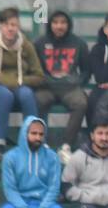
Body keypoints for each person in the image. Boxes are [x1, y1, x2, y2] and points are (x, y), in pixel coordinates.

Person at [33, 9, 91, 151]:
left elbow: (86, 71)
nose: (59, 26)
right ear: (50, 24)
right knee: (36, 100)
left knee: (81, 103)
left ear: (69, 24)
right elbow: (34, 69)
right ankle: (41, 142)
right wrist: (42, 80)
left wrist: (77, 80)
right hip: (46, 87)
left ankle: (66, 145)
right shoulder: (39, 43)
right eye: (55, 22)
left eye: (63, 22)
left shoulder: (79, 43)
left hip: (69, 87)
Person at [0, 8, 44, 161]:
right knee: (5, 95)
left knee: (27, 94)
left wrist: (20, 82)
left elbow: (39, 75)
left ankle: (32, 140)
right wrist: (9, 81)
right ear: (0, 26)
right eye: (7, 25)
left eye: (14, 25)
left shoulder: (26, 46)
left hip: (20, 85)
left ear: (18, 26)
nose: (10, 28)